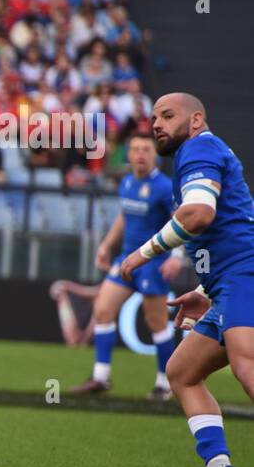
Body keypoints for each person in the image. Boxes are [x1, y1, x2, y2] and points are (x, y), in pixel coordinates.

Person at [119, 93, 254, 467]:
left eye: (167, 115)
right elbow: (230, 224)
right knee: (182, 373)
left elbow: (199, 215)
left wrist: (143, 253)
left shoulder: (199, 147)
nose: (157, 123)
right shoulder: (196, 153)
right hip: (228, 283)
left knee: (247, 367)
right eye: (154, 116)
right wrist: (204, 290)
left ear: (196, 119)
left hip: (243, 277)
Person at [71, 130, 182, 398]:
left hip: (153, 261)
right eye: (136, 149)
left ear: (155, 154)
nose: (141, 154)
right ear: (129, 154)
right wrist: (106, 246)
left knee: (155, 322)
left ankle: (165, 383)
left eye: (146, 149)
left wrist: (177, 257)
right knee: (103, 310)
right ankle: (100, 377)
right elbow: (124, 217)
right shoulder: (128, 183)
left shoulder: (165, 187)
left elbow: (181, 220)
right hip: (126, 259)